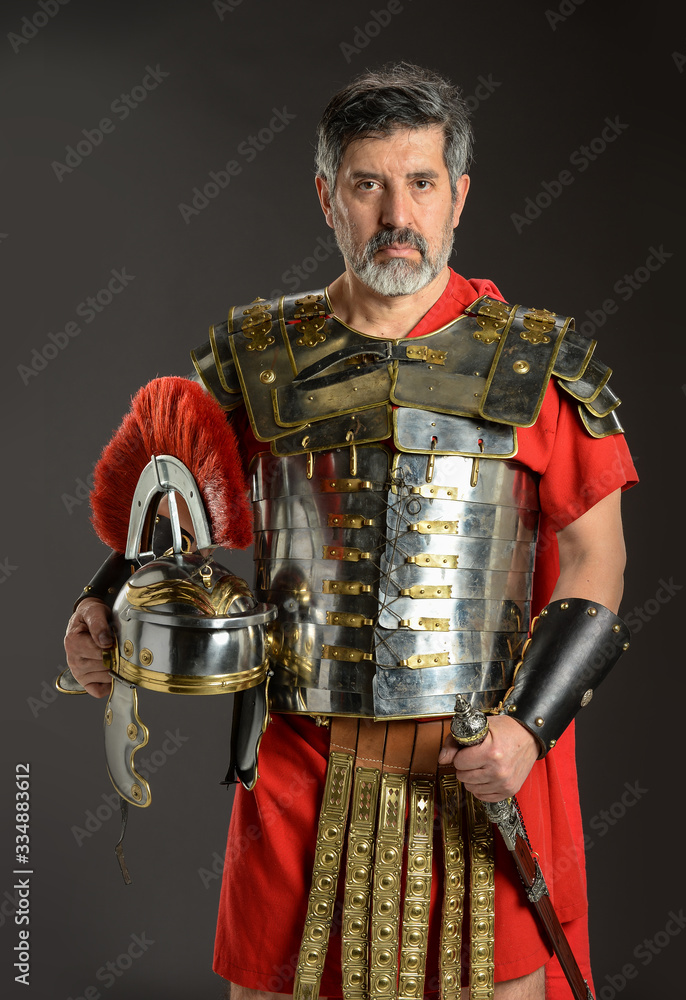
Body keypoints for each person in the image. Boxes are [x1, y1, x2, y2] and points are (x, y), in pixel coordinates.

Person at [64, 63, 637, 1000]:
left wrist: (528, 732)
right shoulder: (258, 359)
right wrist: (99, 605)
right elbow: (170, 496)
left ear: (458, 194)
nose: (395, 214)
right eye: (368, 185)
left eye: (419, 183)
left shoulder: (536, 362)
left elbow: (596, 562)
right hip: (300, 761)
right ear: (328, 197)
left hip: (480, 760)